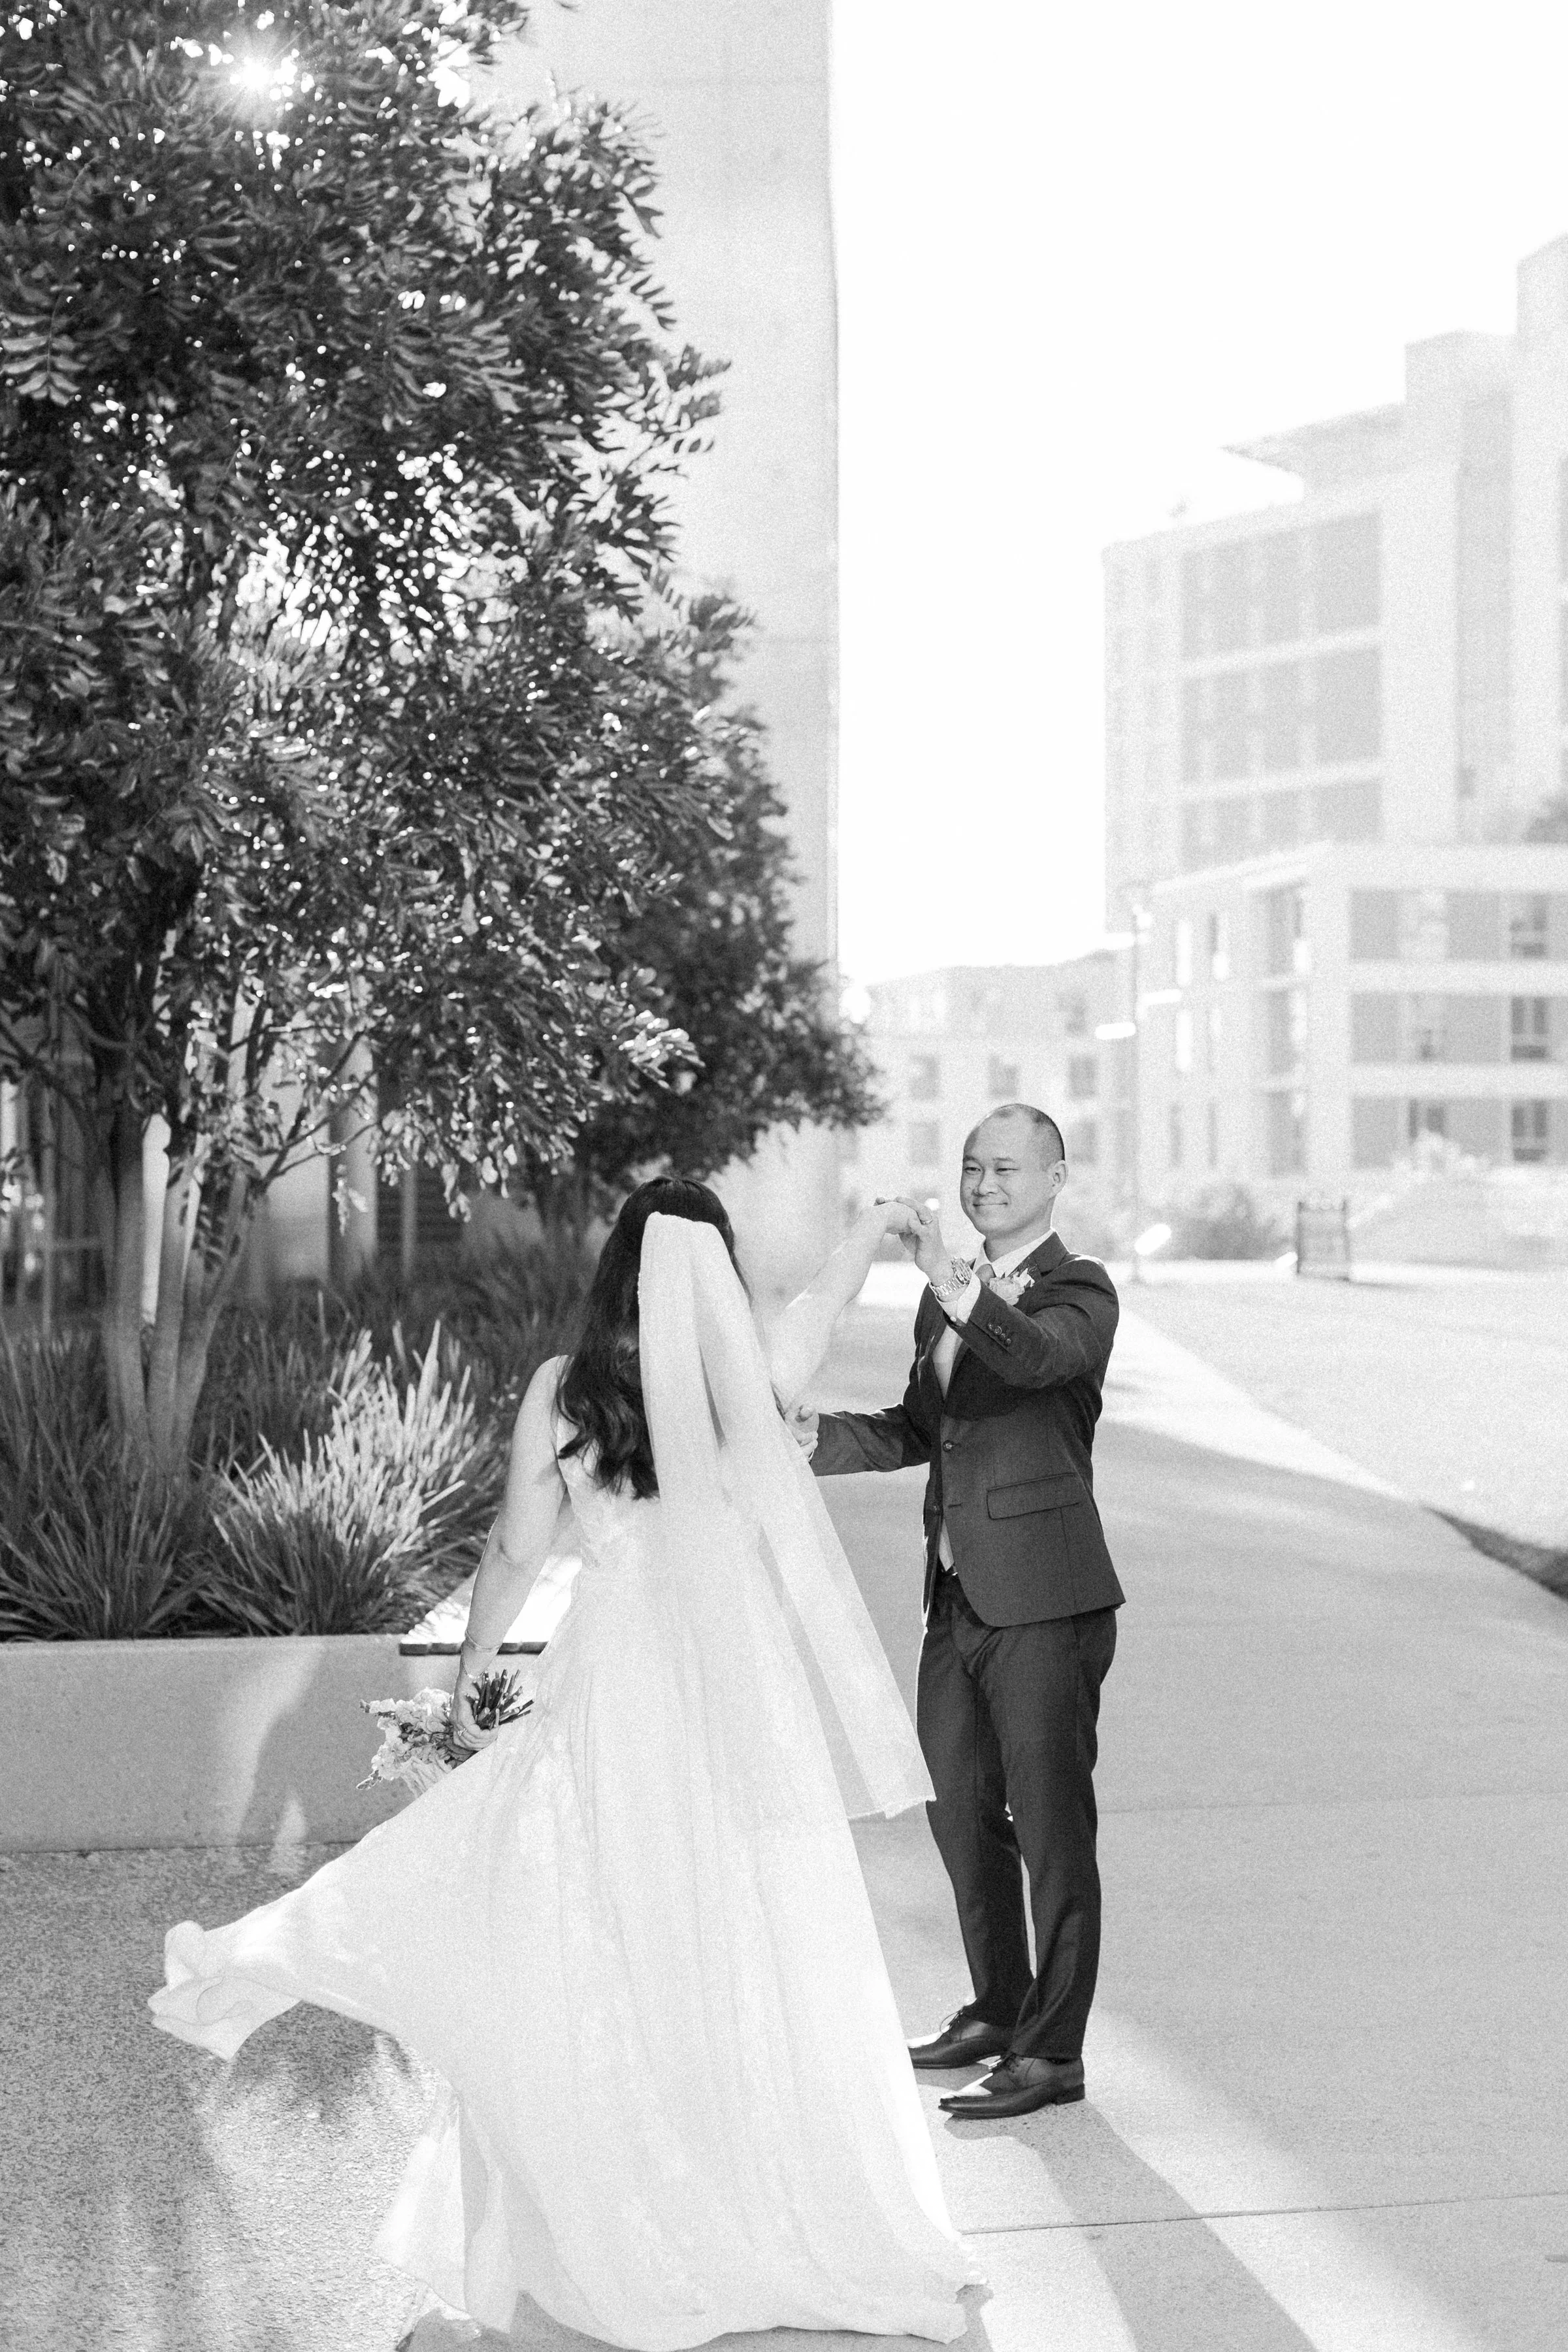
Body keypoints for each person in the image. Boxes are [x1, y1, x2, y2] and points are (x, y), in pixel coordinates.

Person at [149, 1179, 977, 2352]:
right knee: (732, 1926)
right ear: (717, 1271)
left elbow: (514, 1546)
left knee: (573, 1908)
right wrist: (869, 1232)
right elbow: (820, 1309)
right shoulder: (750, 1385)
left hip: (618, 1679)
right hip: (734, 1699)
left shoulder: (565, 1388)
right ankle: (750, 2198)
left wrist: (472, 1674)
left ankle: (260, 1965)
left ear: (618, 1267)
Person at [791, 1104, 1123, 2120]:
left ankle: (1053, 2054)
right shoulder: (944, 1309)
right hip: (959, 1597)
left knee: (1053, 1827)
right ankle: (998, 2005)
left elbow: (1030, 1360)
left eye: (1008, 1169)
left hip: (1048, 1601)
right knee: (957, 1809)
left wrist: (947, 1270)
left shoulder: (1081, 1289)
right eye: (974, 1168)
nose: (985, 1185)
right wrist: (814, 1441)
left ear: (1056, 1177)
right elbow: (918, 1429)